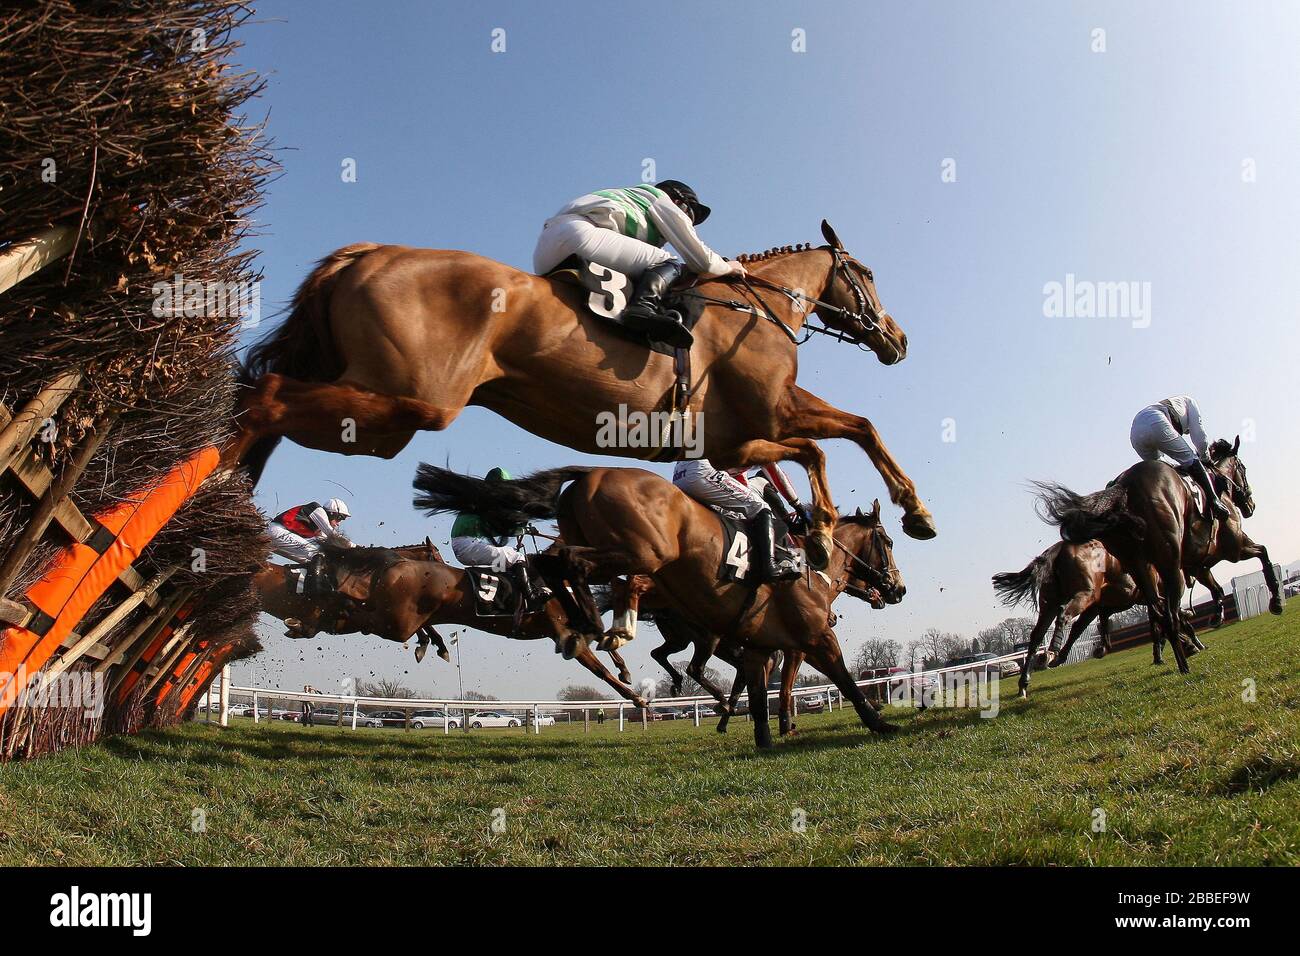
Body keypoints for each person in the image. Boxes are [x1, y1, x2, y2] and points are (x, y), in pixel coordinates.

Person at [532, 180, 746, 348]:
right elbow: (702, 261)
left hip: (545, 253)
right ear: (680, 202)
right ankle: (642, 309)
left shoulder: (634, 202)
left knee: (650, 267)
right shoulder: (662, 199)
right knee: (669, 262)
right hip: (581, 236)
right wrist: (729, 267)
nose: (689, 222)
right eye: (690, 215)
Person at [672, 459, 808, 583]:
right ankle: (770, 566)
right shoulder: (764, 441)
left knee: (742, 510)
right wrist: (798, 506)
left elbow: (741, 482)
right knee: (761, 508)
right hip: (701, 471)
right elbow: (774, 472)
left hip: (679, 475)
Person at [450, 467, 544, 608]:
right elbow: (495, 528)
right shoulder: (483, 504)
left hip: (466, 543)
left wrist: (521, 529)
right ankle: (531, 597)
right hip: (467, 546)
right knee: (517, 558)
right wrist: (522, 530)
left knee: (505, 559)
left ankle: (504, 595)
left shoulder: (478, 501)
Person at [1130, 395, 1230, 520]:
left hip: (1135, 434)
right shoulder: (1191, 402)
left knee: (1165, 471)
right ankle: (1215, 502)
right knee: (1191, 459)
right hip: (1155, 420)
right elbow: (1200, 439)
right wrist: (1206, 458)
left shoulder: (1176, 405)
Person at [268, 497, 354, 595]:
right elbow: (332, 534)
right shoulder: (317, 510)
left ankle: (300, 587)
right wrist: (355, 547)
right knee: (317, 554)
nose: (338, 524)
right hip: (276, 532)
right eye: (340, 518)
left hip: (277, 535)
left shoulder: (318, 528)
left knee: (315, 561)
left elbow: (329, 543)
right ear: (332, 513)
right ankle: (314, 590)